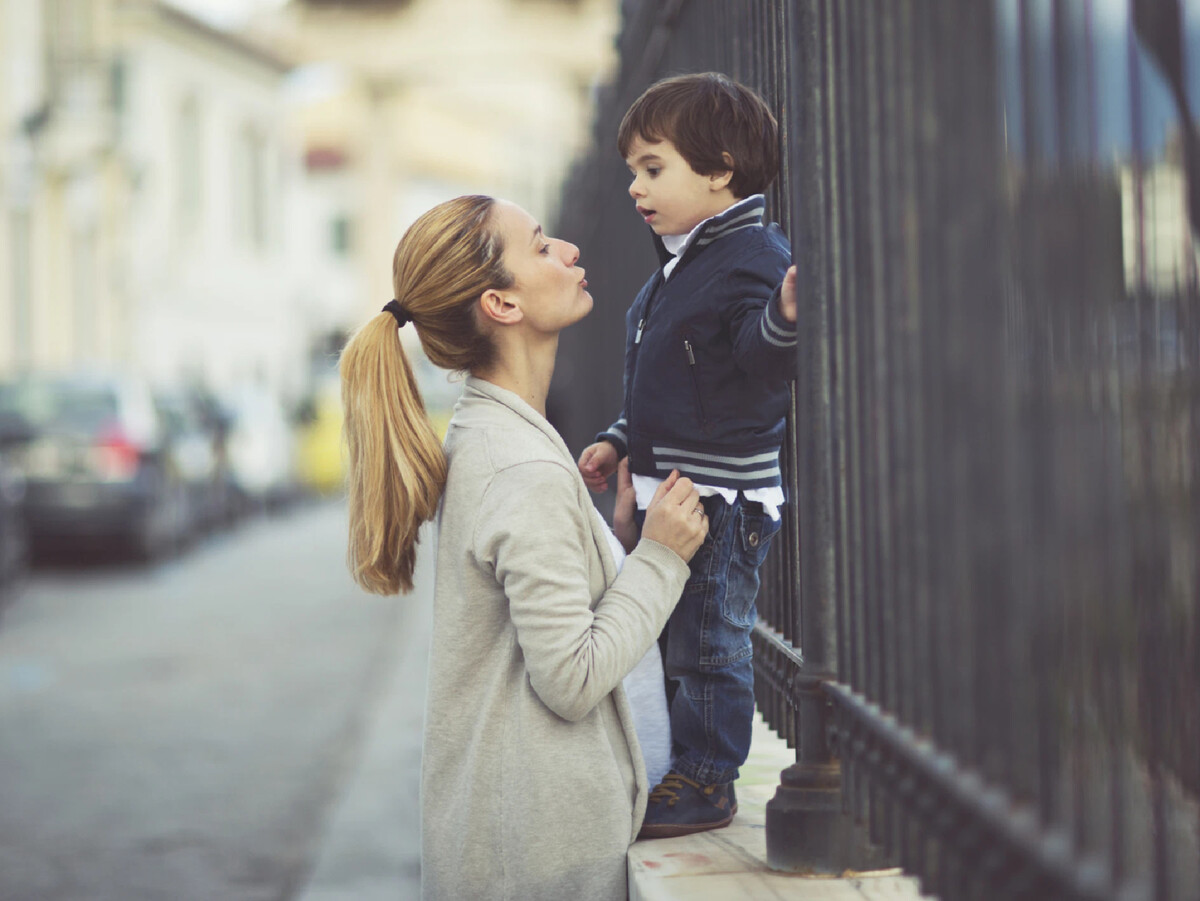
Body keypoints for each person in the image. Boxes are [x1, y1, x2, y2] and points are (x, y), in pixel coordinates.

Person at [338, 194, 709, 900]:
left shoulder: (497, 437)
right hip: (542, 861)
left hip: (521, 842)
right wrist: (661, 559)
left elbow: (539, 614)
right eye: (540, 247)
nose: (569, 251)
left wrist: (618, 548)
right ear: (501, 305)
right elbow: (568, 678)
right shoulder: (521, 466)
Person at [577, 72, 800, 839]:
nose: (636, 187)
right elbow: (669, 379)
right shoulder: (686, 259)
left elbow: (759, 360)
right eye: (632, 171)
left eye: (652, 167)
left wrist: (785, 316)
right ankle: (680, 763)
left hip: (721, 494)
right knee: (679, 637)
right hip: (674, 488)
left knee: (710, 638)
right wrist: (619, 438)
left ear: (720, 168)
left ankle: (707, 779)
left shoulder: (750, 257)